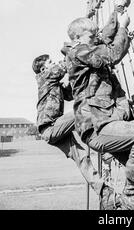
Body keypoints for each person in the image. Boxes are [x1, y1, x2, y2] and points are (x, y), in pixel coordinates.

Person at [65, 13, 134, 210]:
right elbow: (112, 54)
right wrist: (124, 28)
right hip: (98, 126)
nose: (95, 39)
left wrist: (117, 14)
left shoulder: (87, 47)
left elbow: (103, 37)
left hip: (112, 123)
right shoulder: (78, 51)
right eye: (90, 36)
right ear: (77, 38)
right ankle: (131, 194)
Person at [32, 54, 102, 193]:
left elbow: (70, 94)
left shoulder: (54, 83)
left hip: (56, 128)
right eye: (50, 62)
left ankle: (103, 191)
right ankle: (103, 140)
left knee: (82, 158)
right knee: (82, 109)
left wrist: (81, 76)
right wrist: (75, 56)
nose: (54, 62)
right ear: (43, 69)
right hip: (50, 127)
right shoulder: (44, 77)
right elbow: (61, 68)